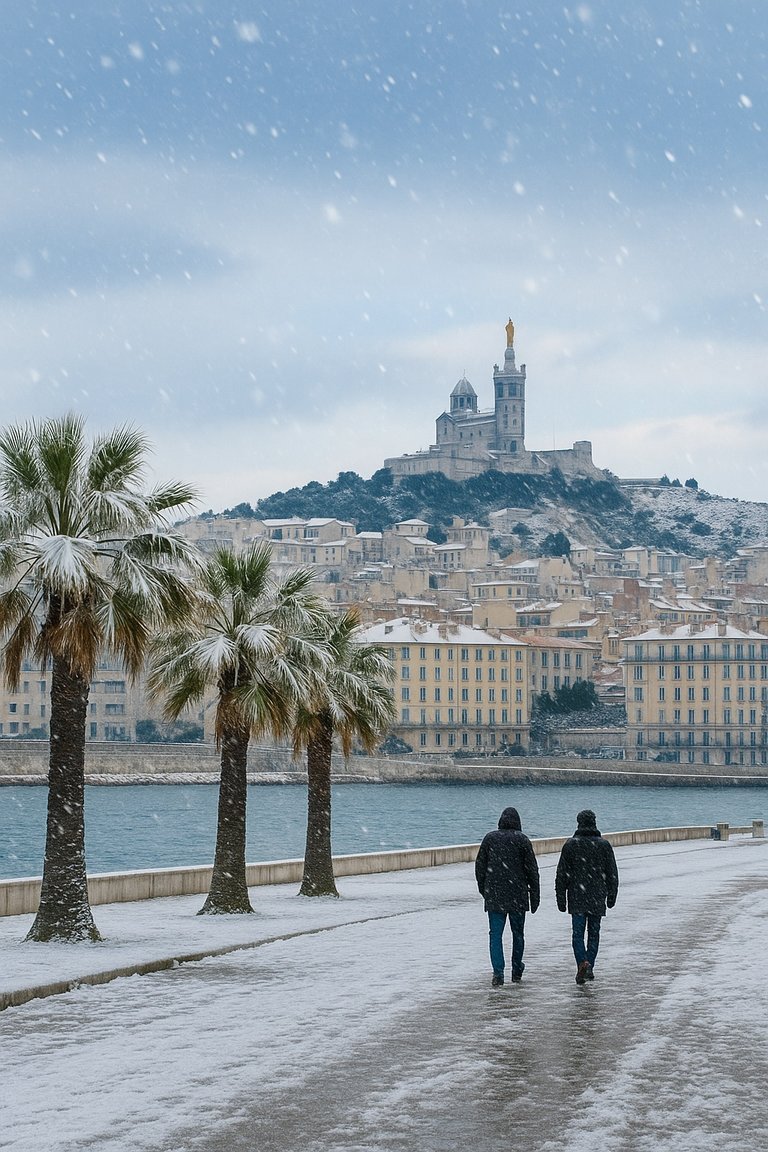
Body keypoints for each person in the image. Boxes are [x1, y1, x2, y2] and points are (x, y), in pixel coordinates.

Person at [475, 806, 540, 987]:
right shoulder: (523, 840)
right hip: (518, 895)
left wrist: (485, 890)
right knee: (517, 934)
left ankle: (498, 972)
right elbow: (532, 871)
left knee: (495, 934)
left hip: (495, 895)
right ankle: (517, 970)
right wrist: (534, 896)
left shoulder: (490, 839)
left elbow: (480, 867)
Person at [555, 809, 619, 985]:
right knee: (594, 933)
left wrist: (561, 898)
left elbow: (561, 875)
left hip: (576, 896)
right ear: (594, 823)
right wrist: (612, 895)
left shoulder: (570, 845)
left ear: (579, 823)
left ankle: (581, 962)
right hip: (597, 896)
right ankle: (589, 965)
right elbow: (612, 873)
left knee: (577, 934)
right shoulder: (603, 845)